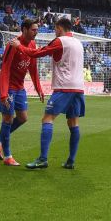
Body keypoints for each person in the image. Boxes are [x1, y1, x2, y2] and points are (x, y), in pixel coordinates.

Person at [12, 16, 84, 170]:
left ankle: (43, 159)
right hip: (79, 88)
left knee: (47, 119)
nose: (54, 32)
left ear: (59, 28)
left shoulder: (60, 42)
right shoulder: (78, 42)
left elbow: (37, 53)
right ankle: (71, 160)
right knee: (73, 122)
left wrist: (19, 46)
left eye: (55, 29)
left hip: (64, 87)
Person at [0, 19, 44, 166]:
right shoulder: (12, 45)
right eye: (33, 29)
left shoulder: (32, 44)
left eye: (37, 29)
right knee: (7, 119)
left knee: (23, 118)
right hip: (7, 86)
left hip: (19, 87)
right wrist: (4, 93)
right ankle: (8, 156)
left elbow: (32, 68)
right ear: (24, 30)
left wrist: (38, 88)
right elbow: (5, 69)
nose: (36, 32)